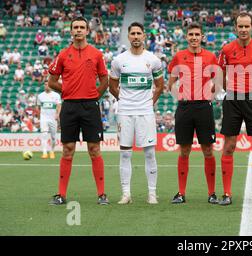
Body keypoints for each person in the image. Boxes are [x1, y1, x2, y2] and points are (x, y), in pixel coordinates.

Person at [48, 16, 109, 205]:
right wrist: (66, 90)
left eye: (82, 27)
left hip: (90, 106)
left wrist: (94, 96)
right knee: (68, 149)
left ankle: (101, 195)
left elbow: (105, 80)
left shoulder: (97, 54)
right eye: (75, 27)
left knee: (94, 149)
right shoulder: (63, 54)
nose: (79, 30)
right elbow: (51, 82)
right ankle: (61, 194)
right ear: (71, 31)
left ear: (87, 31)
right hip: (69, 107)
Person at [217, 12, 252, 206]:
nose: (243, 30)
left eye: (246, 26)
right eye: (240, 26)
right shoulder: (226, 49)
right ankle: (226, 193)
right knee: (229, 146)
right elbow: (221, 74)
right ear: (235, 28)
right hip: (232, 99)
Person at [109, 22, 164, 205]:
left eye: (138, 33)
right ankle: (126, 194)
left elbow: (160, 86)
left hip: (145, 112)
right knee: (125, 154)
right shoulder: (119, 60)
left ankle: (152, 194)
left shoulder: (153, 60)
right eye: (132, 33)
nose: (135, 36)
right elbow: (112, 86)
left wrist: (149, 103)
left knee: (149, 153)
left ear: (144, 36)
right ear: (128, 36)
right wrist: (124, 100)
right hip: (125, 112)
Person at [167, 23, 220, 204]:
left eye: (197, 34)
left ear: (202, 36)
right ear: (186, 36)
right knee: (184, 150)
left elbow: (217, 80)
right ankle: (181, 193)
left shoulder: (211, 56)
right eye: (191, 34)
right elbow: (171, 81)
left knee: (208, 150)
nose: (194, 37)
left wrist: (210, 94)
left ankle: (212, 193)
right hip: (185, 107)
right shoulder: (179, 56)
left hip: (204, 107)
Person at [36, 80, 61, 159]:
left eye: (48, 84)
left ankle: (52, 151)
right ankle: (44, 152)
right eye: (45, 84)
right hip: (44, 118)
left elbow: (59, 105)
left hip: (53, 118)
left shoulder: (56, 95)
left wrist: (57, 114)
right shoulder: (40, 96)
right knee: (44, 134)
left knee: (53, 137)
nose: (46, 86)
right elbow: (38, 107)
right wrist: (39, 117)